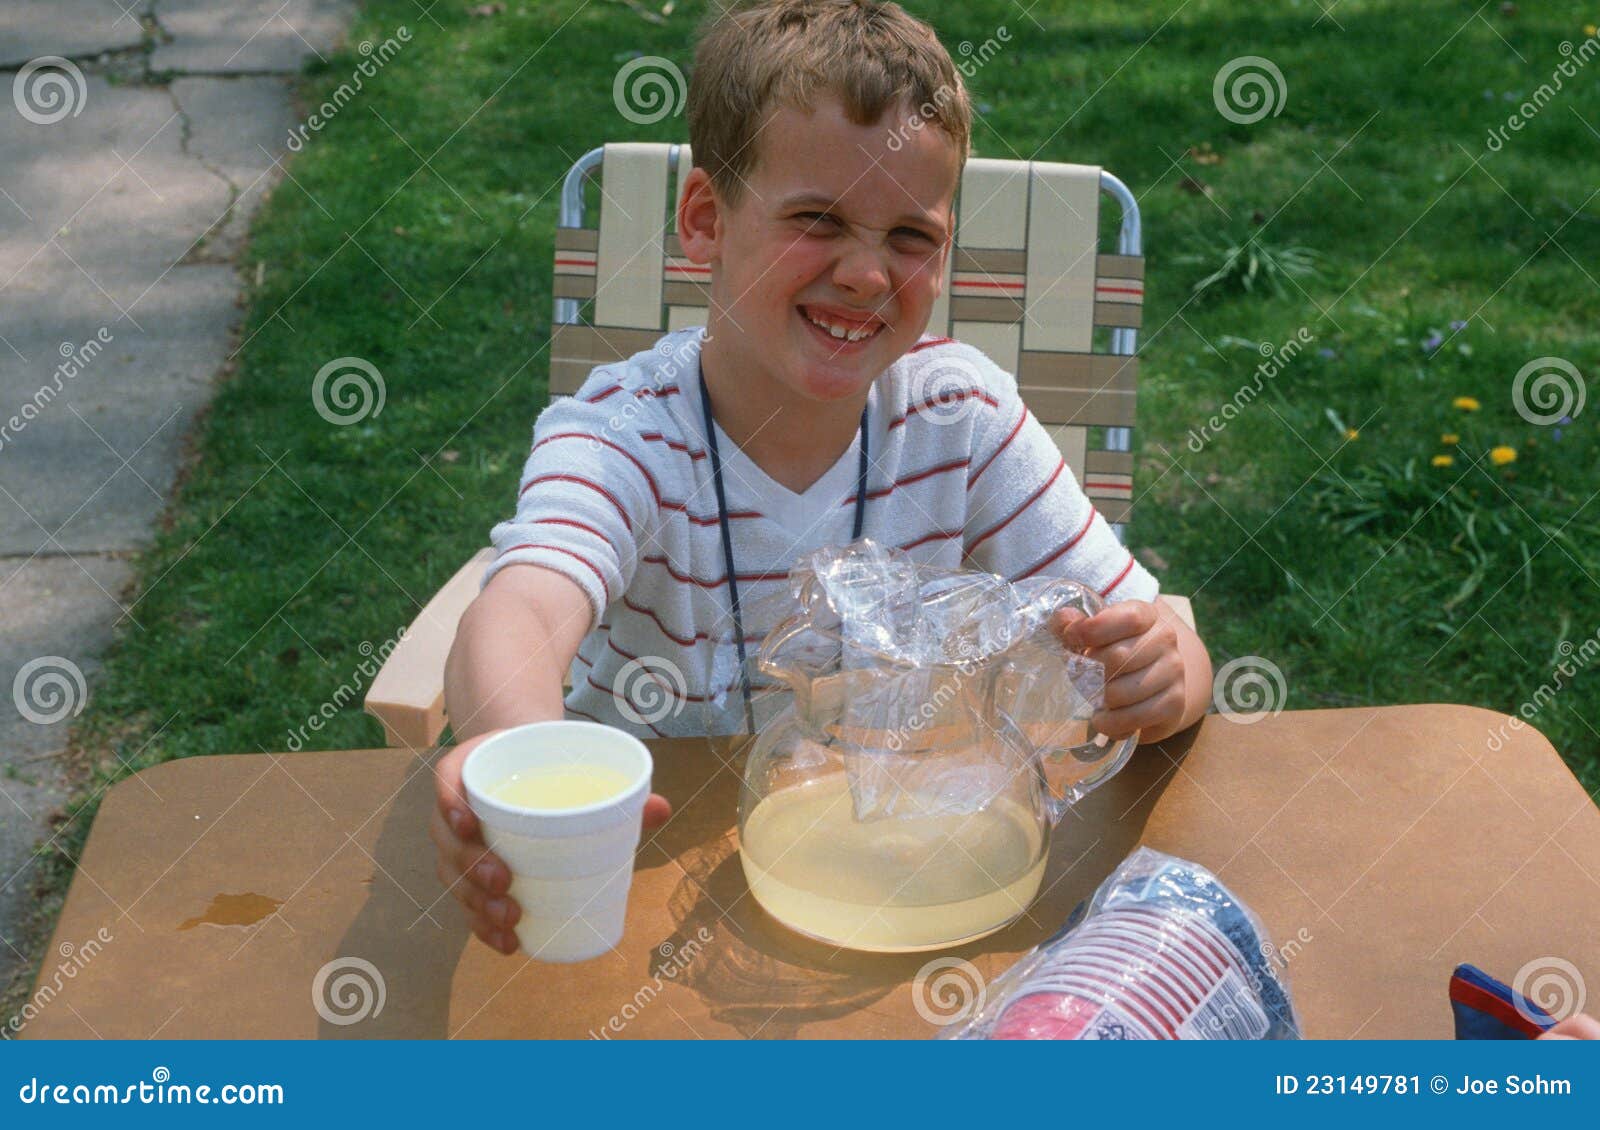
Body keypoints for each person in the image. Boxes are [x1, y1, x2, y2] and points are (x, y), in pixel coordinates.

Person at [431, 0, 1213, 955]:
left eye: (911, 237)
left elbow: (1163, 639)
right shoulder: (625, 435)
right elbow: (521, 610)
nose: (867, 275)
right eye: (818, 220)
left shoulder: (960, 420)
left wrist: (1162, 675)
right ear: (707, 221)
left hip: (903, 880)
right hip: (628, 895)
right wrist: (513, 755)